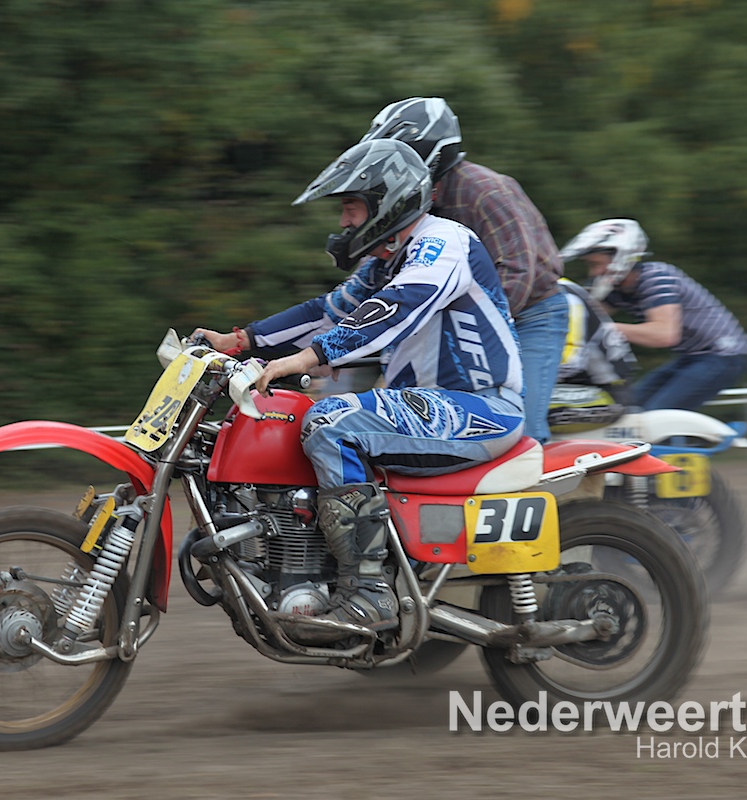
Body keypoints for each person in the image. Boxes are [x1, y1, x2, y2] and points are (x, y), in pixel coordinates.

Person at [196, 139, 524, 642]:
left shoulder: (443, 243)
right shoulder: (383, 262)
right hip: (429, 410)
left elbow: (396, 308)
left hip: (481, 408)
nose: (345, 221)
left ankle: (369, 593)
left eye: (352, 206)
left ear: (386, 203)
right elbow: (324, 312)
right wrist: (239, 341)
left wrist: (307, 358)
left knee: (330, 423)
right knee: (294, 425)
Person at [359, 97, 567, 443]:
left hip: (532, 314)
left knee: (517, 427)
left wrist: (446, 327)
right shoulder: (412, 198)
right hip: (449, 319)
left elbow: (517, 271)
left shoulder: (483, 191)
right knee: (423, 421)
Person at [559, 219, 747, 411]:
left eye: (596, 264)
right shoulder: (618, 288)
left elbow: (664, 334)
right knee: (630, 412)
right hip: (691, 357)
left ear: (620, 257)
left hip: (722, 356)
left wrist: (604, 328)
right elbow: (584, 316)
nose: (594, 272)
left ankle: (682, 441)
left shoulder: (656, 277)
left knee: (657, 416)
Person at [547, 277, 637, 432]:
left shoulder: (564, 297)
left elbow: (569, 361)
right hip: (572, 386)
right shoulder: (547, 289)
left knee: (524, 408)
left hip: (604, 394)